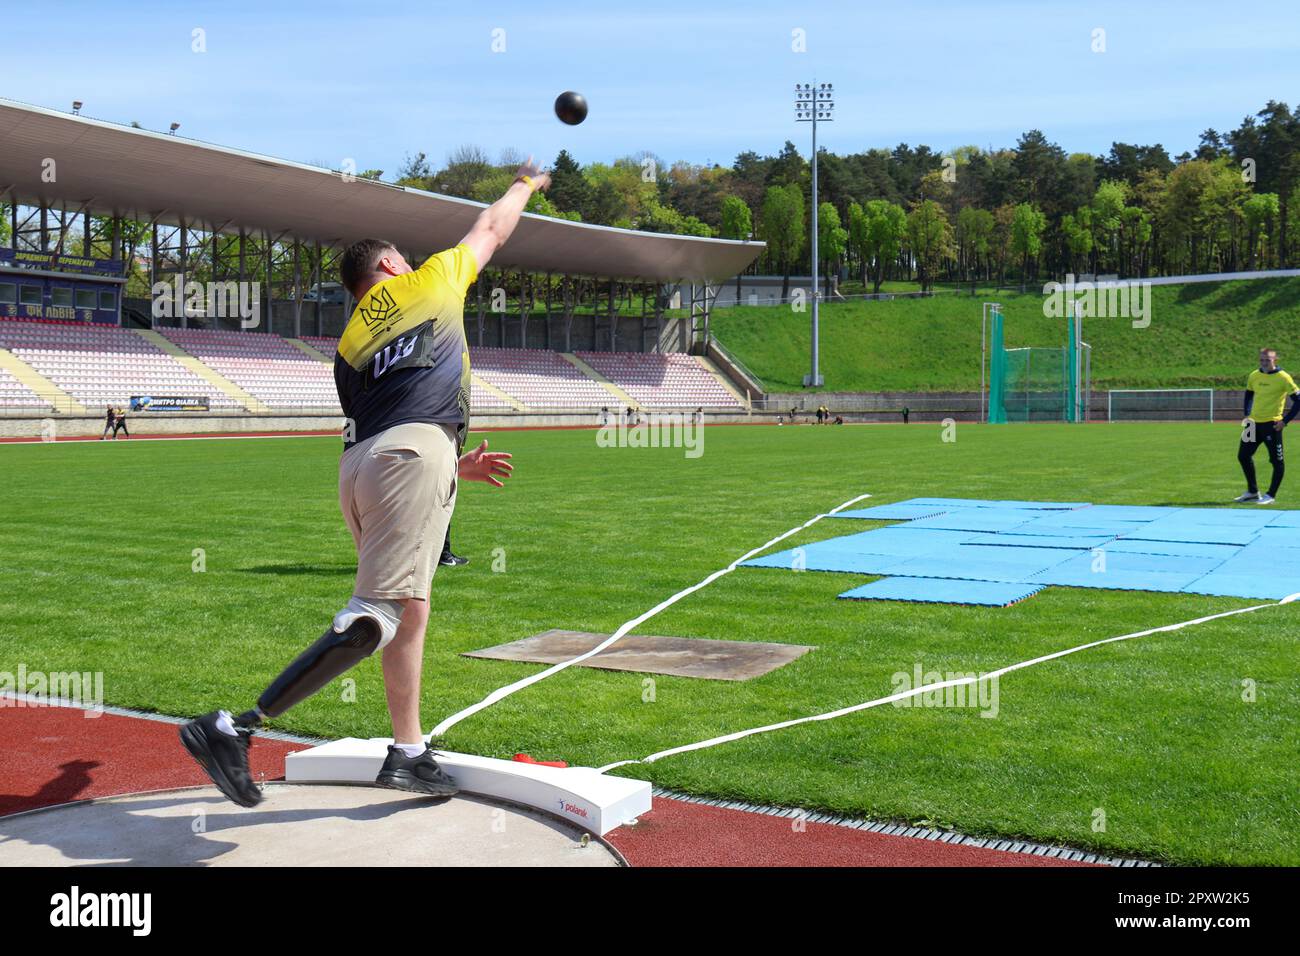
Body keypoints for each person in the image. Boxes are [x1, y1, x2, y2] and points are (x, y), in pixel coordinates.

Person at [179, 157, 547, 806]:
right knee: (376, 615)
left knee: (412, 606)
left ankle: (407, 752)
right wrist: (525, 184)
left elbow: (383, 421)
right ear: (386, 267)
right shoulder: (432, 280)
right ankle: (235, 727)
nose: (410, 260)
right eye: (400, 256)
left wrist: (449, 464)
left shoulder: (348, 340)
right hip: (408, 457)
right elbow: (492, 228)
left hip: (364, 466)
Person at [1236, 347, 1300, 505]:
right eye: (1262, 360)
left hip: (1272, 425)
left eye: (1268, 360)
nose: (1264, 362)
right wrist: (1247, 413)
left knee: (1277, 462)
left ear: (1275, 360)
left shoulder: (1283, 377)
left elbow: (1298, 401)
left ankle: (1270, 495)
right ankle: (1252, 492)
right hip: (1252, 424)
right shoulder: (1254, 375)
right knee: (1243, 456)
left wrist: (1284, 421)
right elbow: (1249, 394)